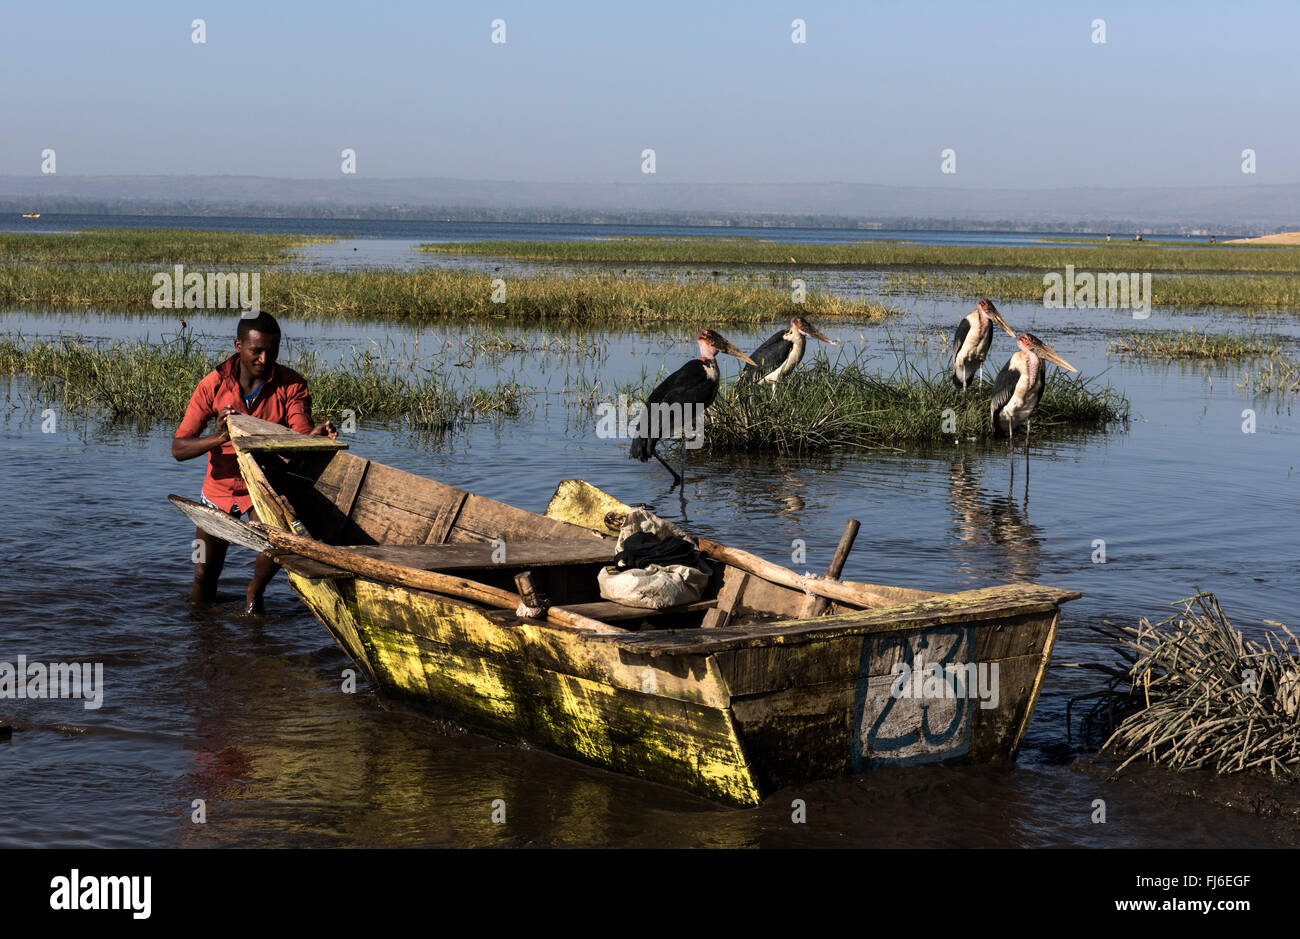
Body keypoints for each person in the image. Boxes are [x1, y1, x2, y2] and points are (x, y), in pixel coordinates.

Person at [173, 312, 335, 613]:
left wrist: (314, 437)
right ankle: (200, 632)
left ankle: (254, 593)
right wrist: (220, 437)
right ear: (238, 346)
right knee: (202, 573)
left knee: (277, 539)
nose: (264, 358)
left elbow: (298, 439)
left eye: (271, 351)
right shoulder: (213, 384)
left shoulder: (292, 386)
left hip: (262, 489)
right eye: (256, 351)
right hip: (217, 492)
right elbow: (179, 448)